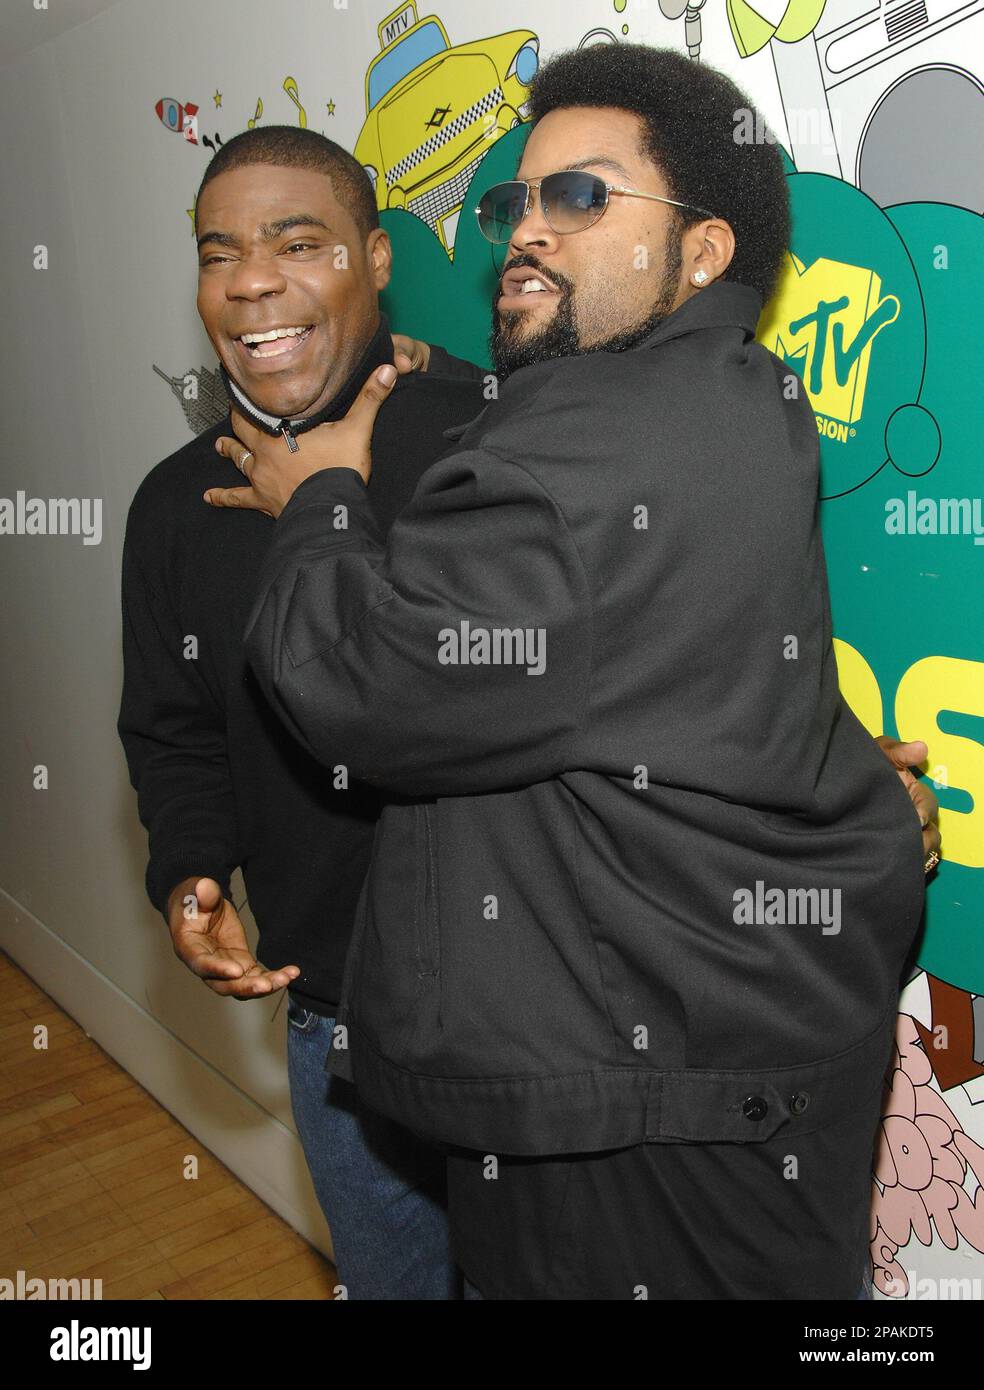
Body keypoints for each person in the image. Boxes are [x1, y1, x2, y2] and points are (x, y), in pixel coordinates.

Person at [207, 46, 940, 1299]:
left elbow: (360, 684)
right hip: (755, 1053)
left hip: (648, 1103)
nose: (527, 234)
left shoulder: (584, 437)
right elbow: (663, 646)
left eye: (583, 198)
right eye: (516, 204)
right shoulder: (745, 391)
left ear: (704, 251)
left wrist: (321, 494)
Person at [117, 125, 488, 1299]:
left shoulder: (498, 437)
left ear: (376, 258)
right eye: (219, 252)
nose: (252, 281)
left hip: (523, 1017)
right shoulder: (174, 505)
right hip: (333, 1032)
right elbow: (173, 730)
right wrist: (191, 871)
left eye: (298, 241)